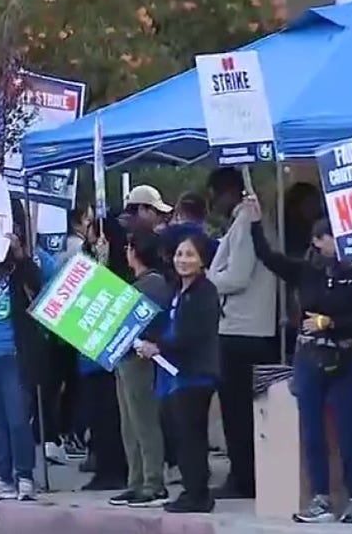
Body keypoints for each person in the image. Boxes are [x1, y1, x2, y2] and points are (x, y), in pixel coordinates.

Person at [247, 198, 352, 524]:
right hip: (310, 357)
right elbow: (268, 258)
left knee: (348, 432)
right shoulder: (304, 270)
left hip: (345, 355)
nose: (337, 241)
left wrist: (331, 322)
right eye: (331, 235)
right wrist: (256, 223)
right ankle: (320, 498)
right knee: (312, 431)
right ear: (318, 240)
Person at [206, 169, 277, 500]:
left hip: (244, 329)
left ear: (229, 192)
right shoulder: (241, 222)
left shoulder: (246, 222)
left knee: (239, 410)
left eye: (215, 194)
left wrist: (207, 280)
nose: (214, 203)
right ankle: (245, 473)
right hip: (243, 327)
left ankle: (245, 476)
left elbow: (236, 277)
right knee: (238, 410)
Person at [138, 232, 221, 513]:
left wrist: (157, 346)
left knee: (191, 436)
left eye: (189, 255)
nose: (182, 260)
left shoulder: (206, 292)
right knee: (178, 434)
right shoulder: (176, 290)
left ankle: (197, 494)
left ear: (202, 260)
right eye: (179, 254)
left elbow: (190, 335)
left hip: (195, 374)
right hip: (173, 374)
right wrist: (148, 342)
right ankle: (192, 489)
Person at [0, 199, 46, 502]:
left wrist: (20, 253)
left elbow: (38, 284)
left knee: (18, 417)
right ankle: (1, 476)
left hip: (13, 354)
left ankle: (24, 475)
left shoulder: (25, 269)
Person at [109, 227, 170, 509]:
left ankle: (153, 481)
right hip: (125, 358)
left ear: (135, 251)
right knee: (128, 424)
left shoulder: (153, 284)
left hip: (140, 359)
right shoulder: (142, 283)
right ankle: (136, 481)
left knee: (144, 422)